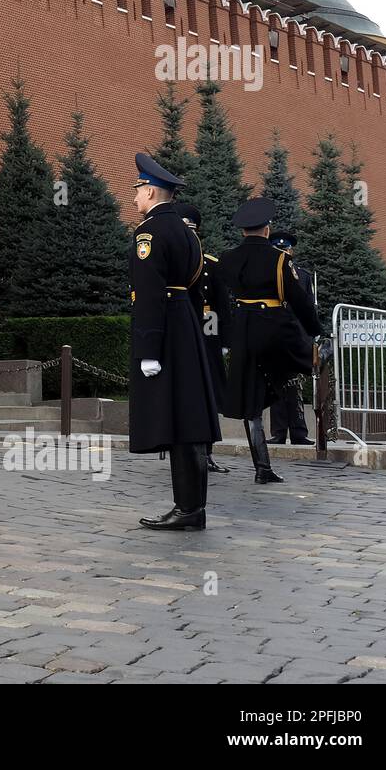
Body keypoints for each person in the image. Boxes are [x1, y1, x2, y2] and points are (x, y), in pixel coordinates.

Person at [128, 154, 221, 531]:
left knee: (179, 421)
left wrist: (149, 349)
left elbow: (149, 293)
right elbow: (196, 288)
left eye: (137, 191)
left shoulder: (148, 234)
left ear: (150, 191)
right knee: (191, 419)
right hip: (186, 328)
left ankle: (187, 509)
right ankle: (192, 507)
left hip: (164, 330)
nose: (134, 198)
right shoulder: (188, 234)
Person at [214, 199, 323, 482]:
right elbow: (299, 300)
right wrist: (314, 330)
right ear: (266, 229)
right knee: (294, 369)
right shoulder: (279, 259)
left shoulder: (227, 258)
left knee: (252, 405)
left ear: (243, 232)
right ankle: (274, 454)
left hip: (243, 330)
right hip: (274, 330)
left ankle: (262, 467)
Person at [174, 202, 231, 475]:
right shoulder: (172, 262)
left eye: (192, 231)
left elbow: (223, 306)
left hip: (208, 336)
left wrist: (224, 342)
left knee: (208, 396)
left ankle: (206, 452)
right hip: (181, 334)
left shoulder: (212, 265)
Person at [266, 230, 316, 446]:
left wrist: (309, 337)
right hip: (275, 335)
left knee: (295, 385)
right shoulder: (266, 273)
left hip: (296, 337)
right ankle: (278, 432)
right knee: (277, 384)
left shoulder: (303, 276)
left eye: (285, 249)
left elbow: (308, 309)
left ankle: (298, 432)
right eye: (278, 249)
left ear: (291, 251)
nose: (283, 253)